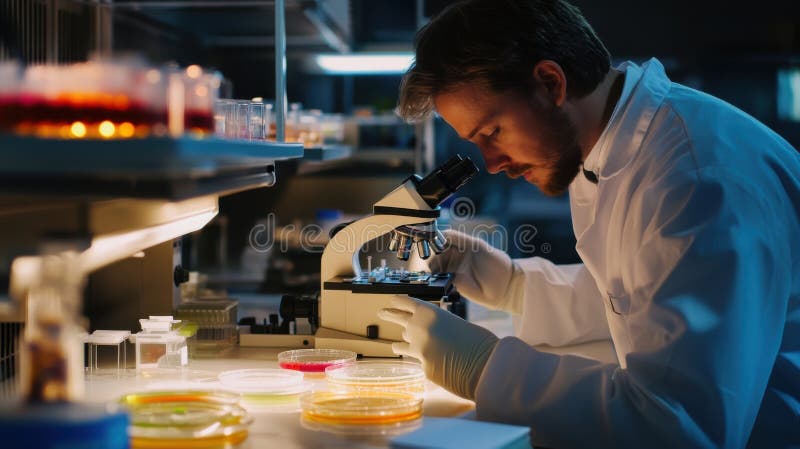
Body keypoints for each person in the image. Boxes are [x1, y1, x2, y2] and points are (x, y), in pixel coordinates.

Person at [376, 0, 800, 447]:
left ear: (550, 83)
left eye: (493, 132)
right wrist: (515, 287)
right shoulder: (612, 149)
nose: (493, 163)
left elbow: (678, 427)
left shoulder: (695, 179)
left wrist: (482, 368)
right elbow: (650, 300)